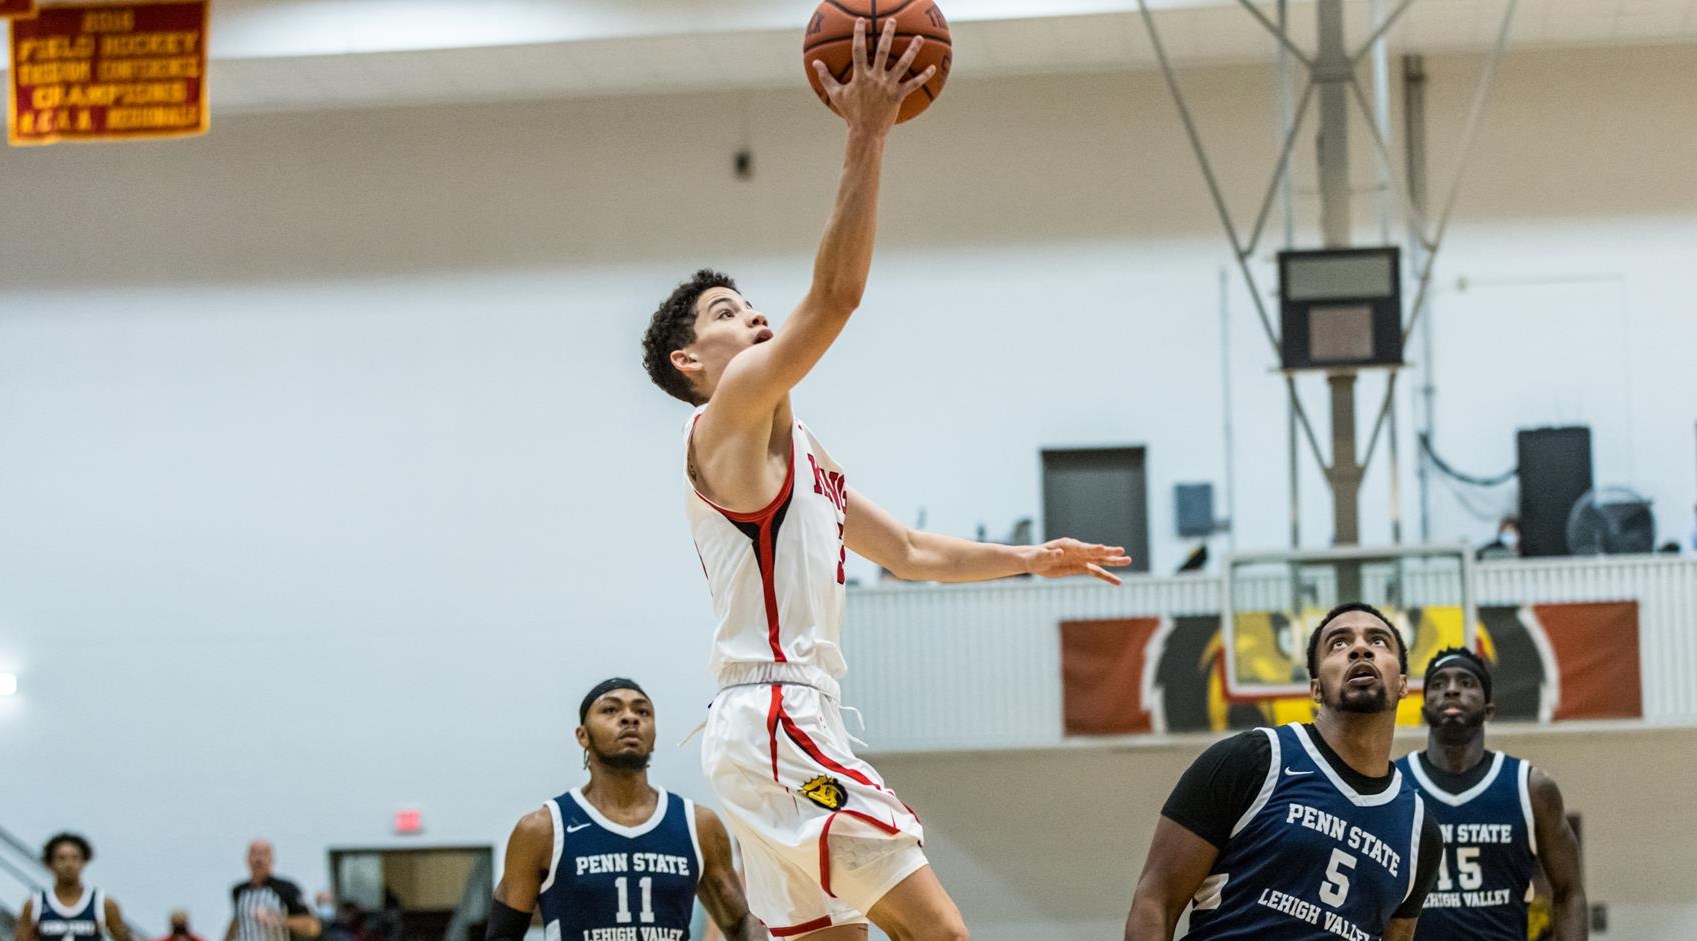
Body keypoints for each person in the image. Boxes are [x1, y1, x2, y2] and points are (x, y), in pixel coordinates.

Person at [640, 18, 1130, 941]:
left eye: (747, 303)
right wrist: (865, 131)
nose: (748, 315)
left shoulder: (802, 454)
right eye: (723, 312)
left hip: (772, 725)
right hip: (777, 713)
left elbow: (910, 550)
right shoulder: (726, 415)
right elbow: (833, 298)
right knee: (941, 932)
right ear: (687, 360)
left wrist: (1031, 555)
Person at [1122, 602, 1444, 941]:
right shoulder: (1252, 760)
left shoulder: (1420, 833)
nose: (1360, 648)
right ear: (1316, 687)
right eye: (1338, 643)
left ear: (1404, 683)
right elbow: (1155, 901)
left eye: (1378, 641)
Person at [485, 678, 759, 941]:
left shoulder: (697, 825)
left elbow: (740, 922)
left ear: (654, 734)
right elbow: (502, 935)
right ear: (582, 735)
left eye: (642, 711)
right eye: (611, 710)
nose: (630, 718)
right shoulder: (542, 830)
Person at [1396, 648, 1587, 941]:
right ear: (1424, 710)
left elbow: (1569, 891)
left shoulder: (1531, 787)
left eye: (1466, 683)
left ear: (1488, 710)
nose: (1451, 690)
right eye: (1438, 684)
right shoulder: (1396, 785)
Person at [13, 833, 134, 941]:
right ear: (49, 864)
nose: (69, 864)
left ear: (84, 862)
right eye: (61, 858)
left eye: (75, 858)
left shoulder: (104, 905)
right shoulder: (35, 905)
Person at [226, 841, 320, 941]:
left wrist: (278, 920)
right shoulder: (238, 891)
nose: (259, 859)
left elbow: (312, 927)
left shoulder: (287, 889)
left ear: (271, 859)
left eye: (264, 854)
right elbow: (238, 921)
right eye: (254, 854)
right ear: (247, 859)